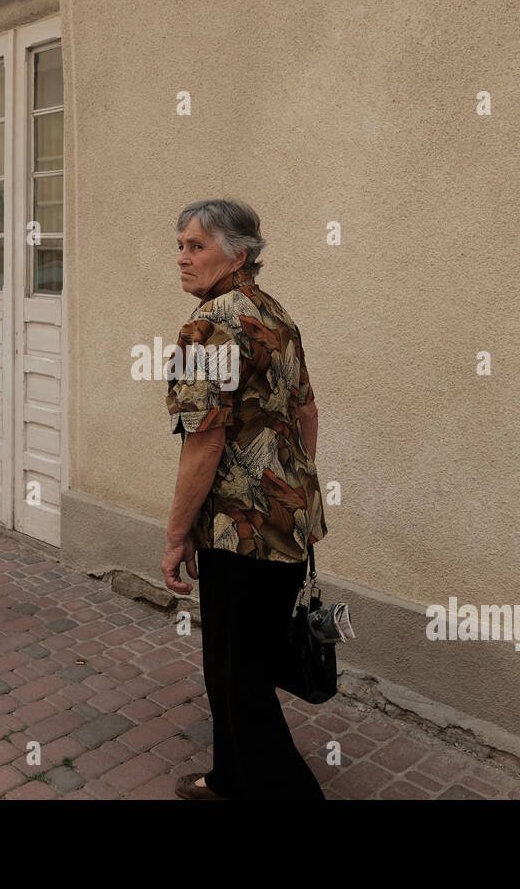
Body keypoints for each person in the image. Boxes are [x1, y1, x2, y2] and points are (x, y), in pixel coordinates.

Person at [161, 198, 328, 800]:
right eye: (179, 244)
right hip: (289, 519)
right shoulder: (275, 314)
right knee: (235, 665)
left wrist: (177, 535)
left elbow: (203, 447)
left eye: (196, 246)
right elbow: (307, 413)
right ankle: (230, 779)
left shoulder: (209, 325)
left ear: (240, 252)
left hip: (241, 529)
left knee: (238, 677)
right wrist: (293, 485)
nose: (181, 257)